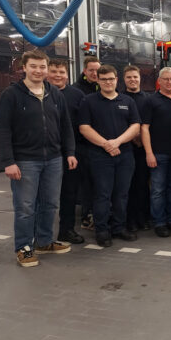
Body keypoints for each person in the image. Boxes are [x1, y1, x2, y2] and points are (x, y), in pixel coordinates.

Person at [0, 49, 75, 267]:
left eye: (42, 67)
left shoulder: (55, 94)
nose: (38, 71)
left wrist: (69, 152)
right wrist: (8, 162)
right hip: (25, 161)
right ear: (24, 68)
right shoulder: (11, 95)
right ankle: (24, 247)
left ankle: (44, 241)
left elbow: (66, 126)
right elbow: (2, 130)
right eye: (33, 66)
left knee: (50, 203)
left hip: (54, 159)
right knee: (25, 207)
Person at [78, 64, 141, 247]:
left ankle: (118, 227)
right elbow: (84, 128)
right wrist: (106, 144)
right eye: (104, 79)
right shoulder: (88, 101)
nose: (108, 82)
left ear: (116, 80)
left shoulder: (127, 101)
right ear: (98, 80)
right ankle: (102, 230)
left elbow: (135, 126)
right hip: (99, 156)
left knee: (121, 194)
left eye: (111, 79)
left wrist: (117, 142)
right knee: (102, 195)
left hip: (125, 155)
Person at [141, 67, 171, 237]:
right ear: (159, 81)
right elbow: (144, 128)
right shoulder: (150, 101)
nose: (169, 82)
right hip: (158, 154)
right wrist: (149, 153)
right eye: (166, 79)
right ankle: (159, 223)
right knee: (158, 190)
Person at [47, 58, 85, 244]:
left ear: (67, 75)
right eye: (53, 71)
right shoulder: (40, 93)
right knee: (45, 196)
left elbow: (84, 123)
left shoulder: (77, 95)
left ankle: (66, 230)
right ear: (47, 73)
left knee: (69, 193)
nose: (58, 75)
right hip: (46, 154)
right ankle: (42, 235)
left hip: (72, 153)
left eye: (61, 72)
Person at [122, 65, 151, 232]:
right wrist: (133, 137)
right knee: (127, 186)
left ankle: (143, 218)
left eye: (135, 77)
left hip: (143, 150)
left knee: (142, 185)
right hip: (125, 148)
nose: (132, 80)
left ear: (140, 78)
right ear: (124, 79)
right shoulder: (119, 98)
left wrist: (141, 140)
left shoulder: (148, 99)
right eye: (129, 77)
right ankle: (130, 220)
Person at [73, 55, 100, 231]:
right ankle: (87, 217)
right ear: (84, 71)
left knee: (99, 183)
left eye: (97, 70)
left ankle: (97, 215)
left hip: (100, 145)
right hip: (83, 145)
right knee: (87, 184)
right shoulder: (77, 91)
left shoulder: (101, 87)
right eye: (91, 70)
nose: (95, 73)